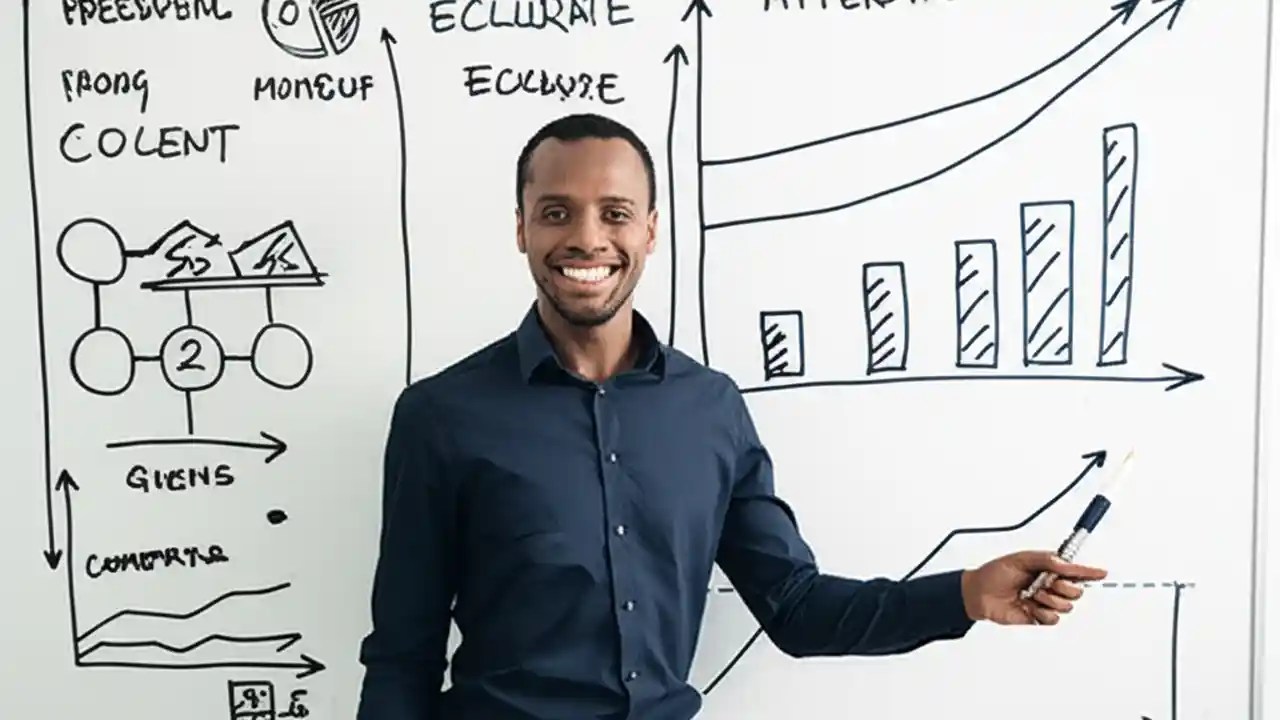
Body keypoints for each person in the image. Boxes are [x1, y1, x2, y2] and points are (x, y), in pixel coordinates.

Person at [355, 112, 1107, 720]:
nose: (587, 238)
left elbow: (797, 608)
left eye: (615, 213)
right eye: (557, 213)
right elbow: (402, 656)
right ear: (522, 227)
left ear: (650, 231)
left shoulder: (711, 409)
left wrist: (966, 594)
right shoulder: (441, 416)